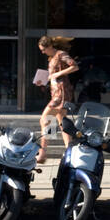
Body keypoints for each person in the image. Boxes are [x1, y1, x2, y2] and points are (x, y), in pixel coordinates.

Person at [37, 35, 78, 163]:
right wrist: (43, 81)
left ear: (50, 46)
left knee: (45, 119)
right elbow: (52, 77)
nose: (42, 52)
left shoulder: (61, 54)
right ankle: (70, 152)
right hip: (56, 92)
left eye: (43, 49)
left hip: (61, 93)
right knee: (62, 123)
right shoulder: (52, 58)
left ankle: (43, 152)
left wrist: (57, 74)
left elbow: (74, 66)